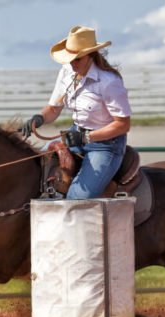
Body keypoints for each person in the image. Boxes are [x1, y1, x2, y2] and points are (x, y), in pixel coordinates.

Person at [21, 25, 132, 199]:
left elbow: (122, 124)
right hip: (74, 135)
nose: (72, 64)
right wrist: (39, 118)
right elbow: (53, 109)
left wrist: (87, 137)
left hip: (105, 146)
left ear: (90, 56)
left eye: (77, 59)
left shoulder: (109, 82)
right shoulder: (66, 72)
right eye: (70, 59)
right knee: (34, 168)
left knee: (77, 199)